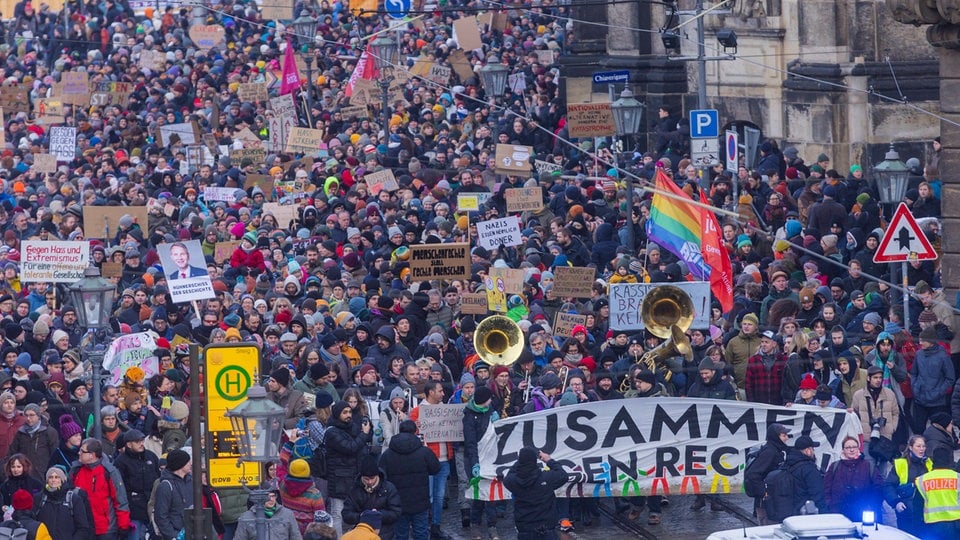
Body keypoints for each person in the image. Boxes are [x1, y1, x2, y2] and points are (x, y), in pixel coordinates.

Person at [687, 358, 736, 511]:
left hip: (718, 433)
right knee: (698, 467)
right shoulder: (695, 388)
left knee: (715, 467)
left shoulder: (726, 387)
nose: (704, 376)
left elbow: (733, 408)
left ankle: (715, 499)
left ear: (713, 371)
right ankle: (700, 497)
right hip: (699, 433)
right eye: (701, 373)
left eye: (706, 373)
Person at [407, 380, 453, 540]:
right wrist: (418, 427)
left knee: (439, 497)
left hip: (444, 458)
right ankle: (423, 527)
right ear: (431, 392)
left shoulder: (446, 410)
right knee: (429, 496)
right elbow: (411, 434)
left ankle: (435, 527)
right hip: (427, 460)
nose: (443, 394)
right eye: (440, 391)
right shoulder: (416, 412)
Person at [380, 420, 440, 540]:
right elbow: (435, 469)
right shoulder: (424, 452)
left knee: (400, 535)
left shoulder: (387, 454)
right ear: (415, 432)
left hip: (397, 502)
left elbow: (381, 476)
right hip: (420, 501)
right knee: (421, 533)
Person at [324, 400, 372, 536]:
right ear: (337, 414)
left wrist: (367, 431)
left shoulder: (352, 427)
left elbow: (362, 445)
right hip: (338, 478)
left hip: (354, 475)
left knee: (357, 512)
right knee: (338, 513)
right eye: (344, 412)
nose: (348, 415)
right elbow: (350, 447)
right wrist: (364, 434)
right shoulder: (332, 432)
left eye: (350, 412)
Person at [69, 438, 131, 539]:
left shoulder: (109, 472)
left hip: (105, 529)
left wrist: (123, 526)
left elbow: (120, 500)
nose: (79, 453)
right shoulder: (75, 470)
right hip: (83, 527)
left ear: (92, 455)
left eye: (82, 451)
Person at [502, 447, 568, 540]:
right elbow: (563, 475)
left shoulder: (512, 481)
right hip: (547, 529)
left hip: (525, 530)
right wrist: (549, 460)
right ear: (534, 461)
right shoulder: (546, 477)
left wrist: (521, 460)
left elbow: (510, 474)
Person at [112, 429, 159, 540]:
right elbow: (120, 488)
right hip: (134, 509)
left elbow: (158, 478)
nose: (141, 444)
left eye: (142, 441)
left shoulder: (151, 456)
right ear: (128, 444)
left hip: (152, 505)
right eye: (137, 442)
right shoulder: (121, 462)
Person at [342, 455, 402, 540]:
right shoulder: (355, 489)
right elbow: (346, 514)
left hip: (386, 534)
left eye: (372, 478)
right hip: (362, 535)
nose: (370, 482)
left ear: (377, 475)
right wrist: (361, 516)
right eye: (366, 479)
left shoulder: (389, 488)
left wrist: (379, 515)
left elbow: (396, 512)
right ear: (362, 476)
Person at [824, 436, 882, 522]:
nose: (851, 450)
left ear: (858, 448)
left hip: (863, 513)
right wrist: (830, 505)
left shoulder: (868, 466)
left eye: (854, 447)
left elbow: (878, 488)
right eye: (848, 447)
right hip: (838, 514)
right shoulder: (834, 466)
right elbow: (826, 488)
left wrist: (872, 506)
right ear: (843, 449)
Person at [884, 435, 933, 538]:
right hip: (907, 511)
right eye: (918, 446)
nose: (921, 449)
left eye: (923, 446)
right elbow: (888, 485)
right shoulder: (901, 463)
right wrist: (896, 502)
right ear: (910, 447)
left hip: (926, 513)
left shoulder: (929, 463)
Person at [850, 366, 900, 464]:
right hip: (866, 438)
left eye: (880, 378)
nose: (878, 380)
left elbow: (895, 413)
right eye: (875, 378)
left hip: (885, 438)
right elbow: (854, 415)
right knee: (869, 466)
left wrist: (892, 428)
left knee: (883, 467)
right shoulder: (858, 395)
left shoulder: (890, 394)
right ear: (868, 378)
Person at [745, 423, 791, 524]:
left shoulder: (776, 449)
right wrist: (764, 492)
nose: (787, 438)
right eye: (784, 435)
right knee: (767, 527)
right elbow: (753, 474)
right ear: (775, 437)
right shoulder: (770, 451)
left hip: (770, 499)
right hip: (766, 502)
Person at [910, 327, 954, 432]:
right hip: (920, 399)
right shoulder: (919, 354)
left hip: (937, 402)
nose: (920, 343)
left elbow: (950, 378)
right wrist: (915, 387)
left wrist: (938, 392)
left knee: (938, 430)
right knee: (918, 429)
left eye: (923, 340)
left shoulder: (943, 356)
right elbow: (914, 373)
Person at [34, 466, 95, 540]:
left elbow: (83, 527)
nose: (53, 480)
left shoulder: (74, 499)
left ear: (62, 480)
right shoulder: (39, 498)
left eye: (57, 477)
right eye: (50, 477)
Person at [913, 448, 960, 540]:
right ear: (950, 459)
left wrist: (918, 529)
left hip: (932, 526)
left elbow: (917, 506)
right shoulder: (957, 478)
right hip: (956, 526)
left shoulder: (923, 480)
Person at [9, 404, 58, 482]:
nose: (28, 418)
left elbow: (55, 454)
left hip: (43, 474)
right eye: (26, 415)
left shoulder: (49, 432)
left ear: (38, 416)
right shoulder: (20, 433)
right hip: (24, 475)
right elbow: (12, 452)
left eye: (31, 415)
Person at [152, 448, 193, 540]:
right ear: (180, 464)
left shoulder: (191, 482)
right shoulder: (165, 486)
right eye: (188, 462)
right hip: (176, 535)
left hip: (192, 533)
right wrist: (173, 536)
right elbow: (161, 516)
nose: (190, 464)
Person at [279, 458, 326, 537]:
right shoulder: (314, 494)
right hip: (308, 534)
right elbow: (321, 518)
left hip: (288, 530)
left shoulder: (283, 486)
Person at [233, 490, 301, 540]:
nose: (271, 499)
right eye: (268, 497)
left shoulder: (287, 514)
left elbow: (296, 537)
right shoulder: (246, 517)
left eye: (273, 496)